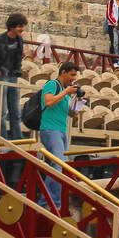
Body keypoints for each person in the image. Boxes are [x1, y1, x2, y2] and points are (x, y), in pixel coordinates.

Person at [38, 62, 79, 207]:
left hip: (61, 130)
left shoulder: (64, 91)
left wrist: (78, 103)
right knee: (58, 165)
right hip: (50, 129)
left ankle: (50, 200)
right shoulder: (52, 84)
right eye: (72, 75)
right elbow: (48, 102)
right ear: (63, 73)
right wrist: (66, 92)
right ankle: (49, 202)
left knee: (61, 166)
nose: (73, 79)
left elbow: (70, 113)